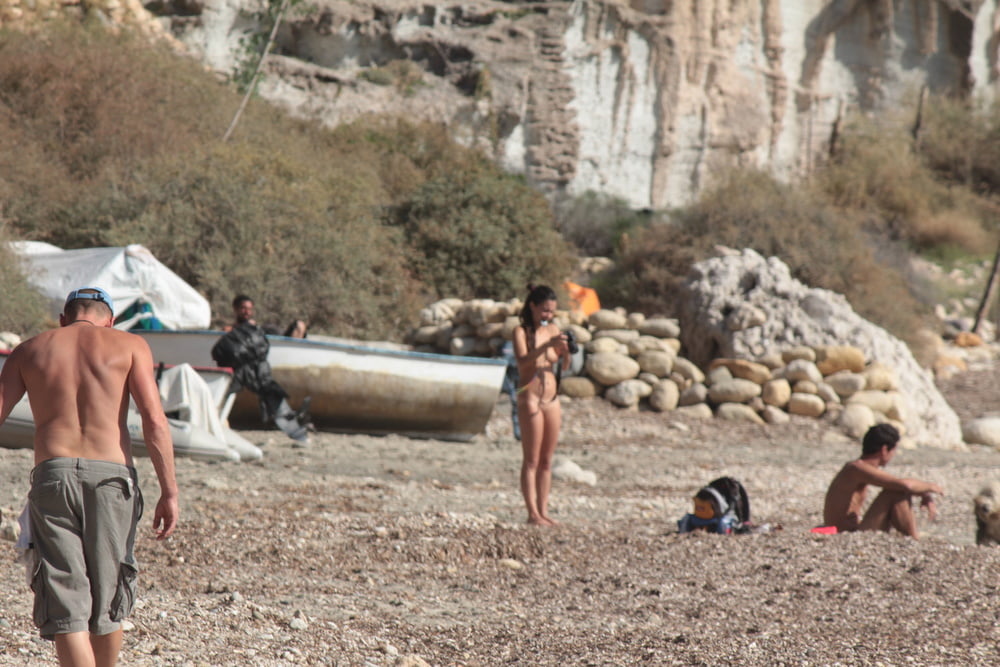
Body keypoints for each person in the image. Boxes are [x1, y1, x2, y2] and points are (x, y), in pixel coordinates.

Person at [0, 286, 179, 667]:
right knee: (109, 594)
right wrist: (170, 492)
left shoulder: (29, 350)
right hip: (112, 478)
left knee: (65, 597)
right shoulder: (130, 345)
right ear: (110, 321)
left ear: (63, 319)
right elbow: (154, 420)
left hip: (53, 475)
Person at [513, 284, 571, 526]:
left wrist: (566, 352)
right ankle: (532, 513)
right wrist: (546, 346)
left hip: (551, 398)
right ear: (533, 307)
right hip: (530, 397)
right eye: (545, 310)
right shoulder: (521, 331)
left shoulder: (554, 329)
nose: (548, 315)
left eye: (552, 311)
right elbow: (523, 363)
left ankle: (544, 511)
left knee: (547, 461)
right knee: (531, 460)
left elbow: (564, 366)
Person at [822, 423, 943, 539]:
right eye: (893, 450)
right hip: (845, 534)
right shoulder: (856, 468)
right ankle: (913, 539)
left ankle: (911, 537)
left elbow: (896, 482)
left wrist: (924, 494)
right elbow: (905, 485)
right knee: (895, 492)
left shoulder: (858, 468)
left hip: (850, 530)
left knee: (896, 489)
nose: (893, 455)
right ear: (884, 450)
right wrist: (931, 486)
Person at [228, 294, 307, 338]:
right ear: (235, 308)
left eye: (249, 309)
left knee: (299, 325)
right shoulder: (230, 330)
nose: (247, 312)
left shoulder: (261, 328)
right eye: (243, 308)